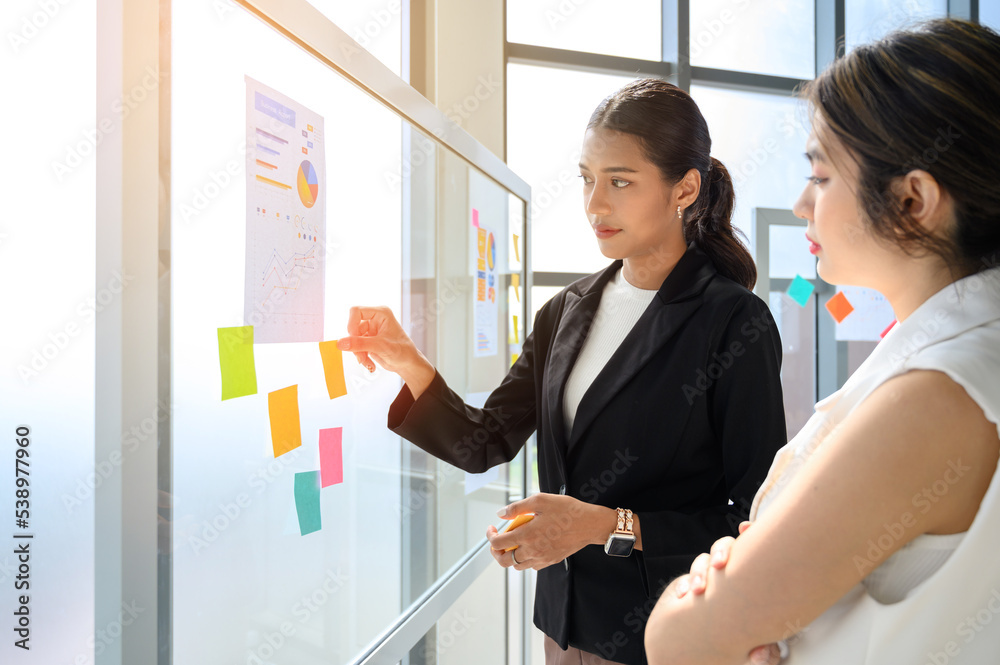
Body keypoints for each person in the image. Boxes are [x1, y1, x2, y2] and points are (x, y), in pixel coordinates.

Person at [338, 78, 787, 665]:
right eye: (586, 179)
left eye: (620, 181)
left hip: (665, 634)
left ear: (685, 188)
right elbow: (486, 441)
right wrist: (411, 364)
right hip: (563, 625)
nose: (595, 205)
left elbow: (754, 520)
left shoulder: (733, 321)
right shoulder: (564, 311)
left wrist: (600, 525)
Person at [644, 18, 1000, 665]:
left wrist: (720, 580)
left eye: (822, 176)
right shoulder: (957, 354)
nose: (802, 204)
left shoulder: (937, 394)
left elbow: (679, 642)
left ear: (913, 200)